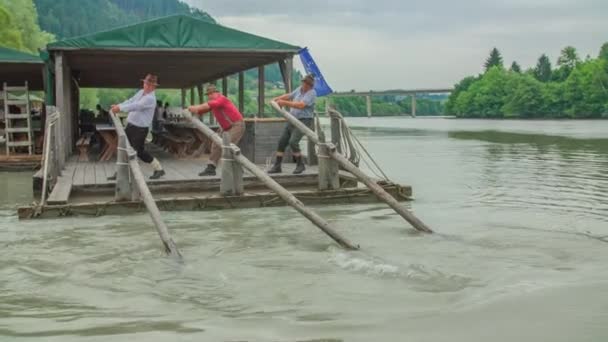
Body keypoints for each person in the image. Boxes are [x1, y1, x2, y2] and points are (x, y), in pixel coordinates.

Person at [107, 74, 165, 180]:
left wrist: (119, 108)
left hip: (140, 129)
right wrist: (119, 105)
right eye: (145, 83)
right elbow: (131, 101)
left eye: (149, 84)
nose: (146, 86)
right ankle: (120, 173)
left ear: (154, 86)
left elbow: (136, 106)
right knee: (124, 149)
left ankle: (157, 169)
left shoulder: (150, 99)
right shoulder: (140, 92)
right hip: (130, 126)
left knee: (136, 152)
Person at [187, 84, 245, 176]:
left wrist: (195, 107)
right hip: (225, 127)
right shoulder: (213, 102)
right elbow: (203, 110)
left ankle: (238, 168)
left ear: (217, 93)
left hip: (236, 125)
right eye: (208, 94)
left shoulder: (221, 99)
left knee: (228, 146)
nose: (210, 96)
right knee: (215, 144)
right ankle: (211, 168)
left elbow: (209, 105)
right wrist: (193, 111)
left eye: (211, 94)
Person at [268, 74, 317, 174]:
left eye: (306, 83)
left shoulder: (312, 93)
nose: (303, 85)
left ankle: (300, 164)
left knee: (293, 142)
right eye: (303, 82)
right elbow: (289, 95)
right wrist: (276, 99)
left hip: (304, 120)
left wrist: (284, 103)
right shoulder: (299, 89)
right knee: (282, 142)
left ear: (310, 85)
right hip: (292, 119)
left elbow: (301, 105)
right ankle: (277, 166)